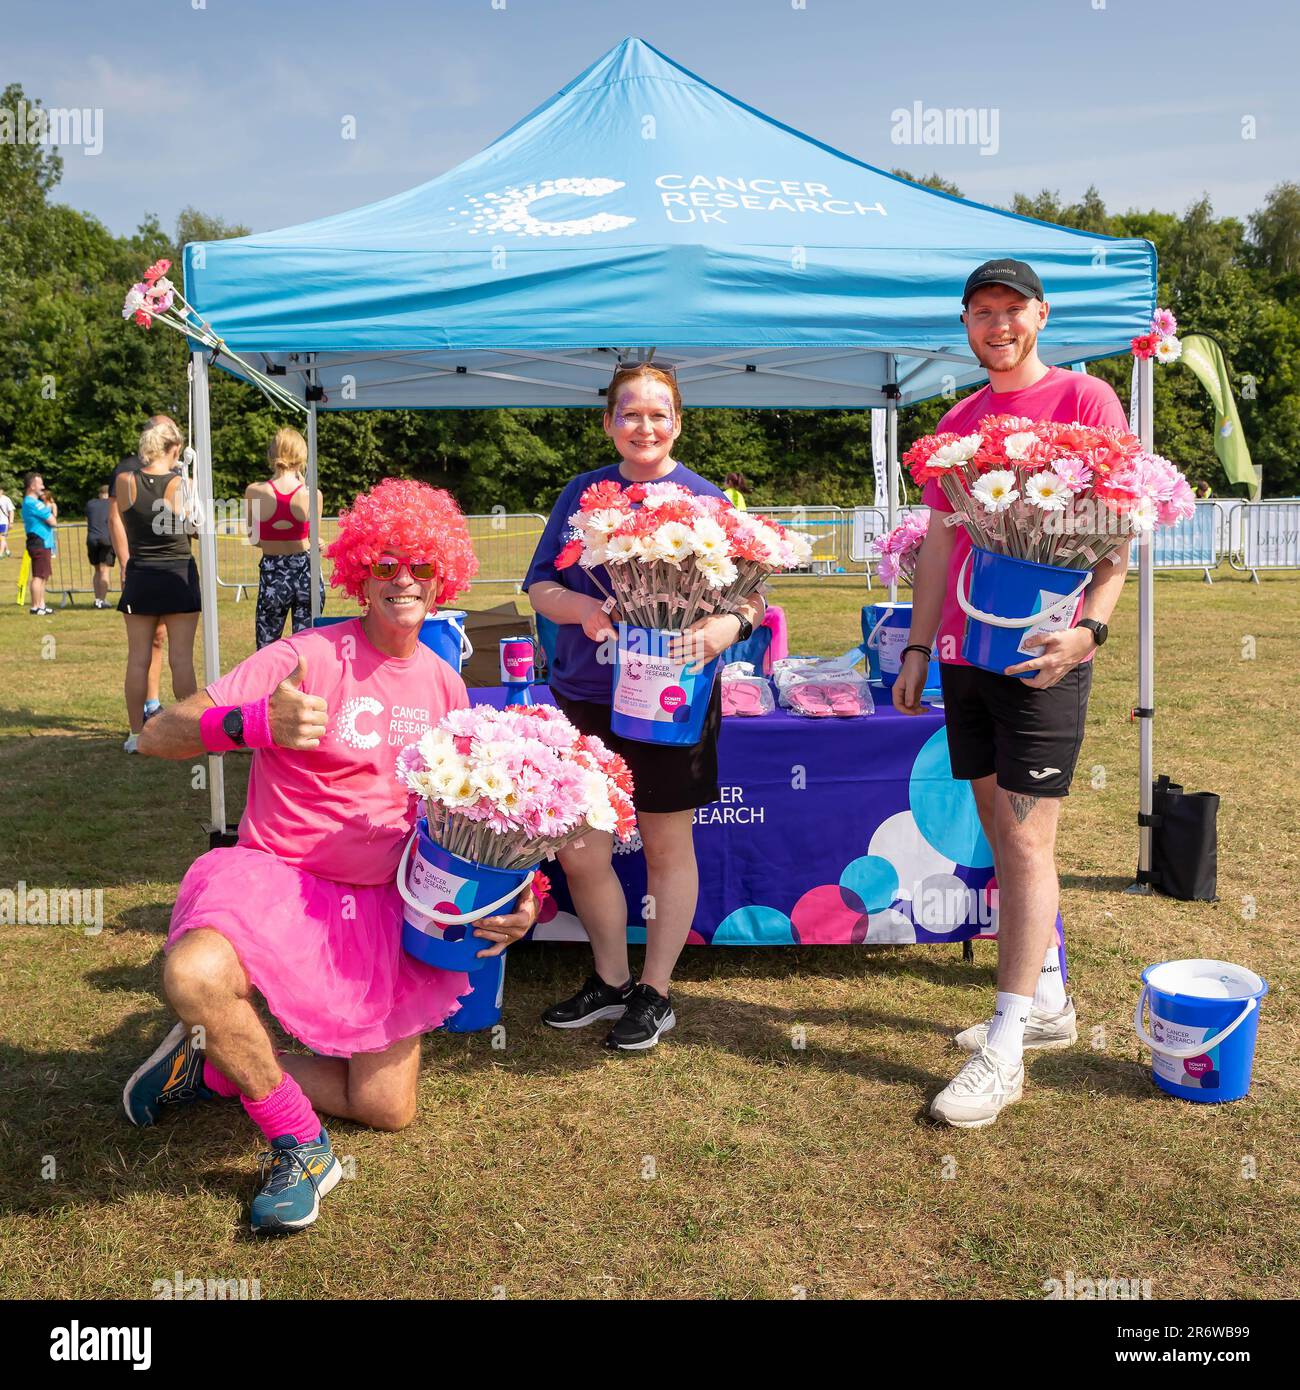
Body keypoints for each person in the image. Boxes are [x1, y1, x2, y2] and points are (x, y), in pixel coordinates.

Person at [122, 478, 537, 1234]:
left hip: (385, 903)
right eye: (384, 564)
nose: (402, 579)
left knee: (388, 1108)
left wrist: (515, 891)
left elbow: (470, 809)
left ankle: (217, 1061)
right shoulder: (305, 655)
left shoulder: (447, 683)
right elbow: (157, 735)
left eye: (418, 564)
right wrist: (255, 722)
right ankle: (298, 1142)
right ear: (359, 574)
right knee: (194, 973)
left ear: (443, 575)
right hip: (278, 878)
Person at [894, 258, 1131, 1128]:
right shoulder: (958, 423)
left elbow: (1118, 533)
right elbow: (938, 545)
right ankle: (1051, 1004)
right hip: (964, 650)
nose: (997, 325)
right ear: (965, 324)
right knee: (999, 827)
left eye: (1011, 310)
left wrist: (1090, 632)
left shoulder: (1085, 400)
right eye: (981, 312)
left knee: (1029, 840)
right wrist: (919, 644)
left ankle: (1004, 1046)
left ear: (1040, 315)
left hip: (1043, 652)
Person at [525, 361, 767, 1051]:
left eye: (659, 412)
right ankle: (609, 979)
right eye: (629, 412)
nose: (644, 424)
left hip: (673, 703)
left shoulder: (706, 500)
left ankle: (655, 992)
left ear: (679, 422)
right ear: (609, 423)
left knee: (666, 847)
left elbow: (753, 593)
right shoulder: (583, 495)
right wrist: (583, 608)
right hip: (586, 699)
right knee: (579, 849)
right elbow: (540, 586)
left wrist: (729, 626)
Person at [113, 419, 201, 753]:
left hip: (140, 576)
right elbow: (195, 527)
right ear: (175, 448)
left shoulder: (125, 481)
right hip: (178, 575)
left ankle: (137, 734)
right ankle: (189, 732)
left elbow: (125, 520)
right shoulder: (184, 484)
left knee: (137, 658)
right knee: (182, 660)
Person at [245, 426, 325, 649]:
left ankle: (270, 685)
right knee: (306, 648)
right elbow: (312, 540)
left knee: (267, 649)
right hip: (305, 573)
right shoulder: (312, 494)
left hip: (273, 574)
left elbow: (254, 540)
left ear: (271, 455)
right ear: (301, 456)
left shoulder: (254, 491)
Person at [20, 472, 57, 615]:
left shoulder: (35, 503)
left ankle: (41, 604)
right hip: (38, 541)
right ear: (32, 485)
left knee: (43, 575)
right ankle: (35, 607)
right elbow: (53, 521)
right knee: (38, 575)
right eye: (40, 483)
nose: (43, 486)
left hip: (43, 541)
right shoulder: (32, 503)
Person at [85, 484, 116, 608]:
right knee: (104, 570)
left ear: (99, 494)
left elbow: (88, 519)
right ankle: (102, 600)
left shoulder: (90, 504)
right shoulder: (112, 504)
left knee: (97, 570)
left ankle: (97, 598)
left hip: (92, 539)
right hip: (106, 539)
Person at [0, 487, 13, 557]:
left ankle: (1, 554)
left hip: (4, 522)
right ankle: (7, 551)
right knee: (2, 538)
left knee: (2, 537)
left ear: (2, 491)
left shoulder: (6, 499)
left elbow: (11, 511)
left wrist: (11, 522)